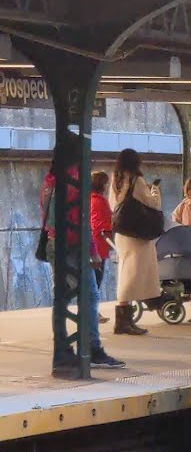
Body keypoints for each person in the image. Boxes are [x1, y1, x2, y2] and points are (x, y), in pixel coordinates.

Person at [41, 164, 124, 369]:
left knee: (62, 297)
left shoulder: (50, 182)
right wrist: (93, 252)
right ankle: (91, 348)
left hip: (54, 242)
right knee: (89, 296)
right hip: (72, 246)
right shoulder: (75, 182)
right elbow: (82, 221)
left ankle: (64, 349)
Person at [110, 149, 162, 336]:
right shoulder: (136, 180)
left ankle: (125, 320)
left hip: (123, 232)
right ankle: (124, 321)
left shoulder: (116, 179)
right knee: (133, 276)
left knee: (126, 272)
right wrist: (155, 190)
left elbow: (113, 205)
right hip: (137, 235)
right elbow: (152, 203)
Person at [89, 171, 113, 324]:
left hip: (95, 245)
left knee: (93, 281)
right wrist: (112, 227)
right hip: (98, 246)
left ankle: (92, 312)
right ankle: (92, 312)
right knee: (95, 281)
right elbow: (98, 224)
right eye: (106, 183)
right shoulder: (99, 201)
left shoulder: (89, 199)